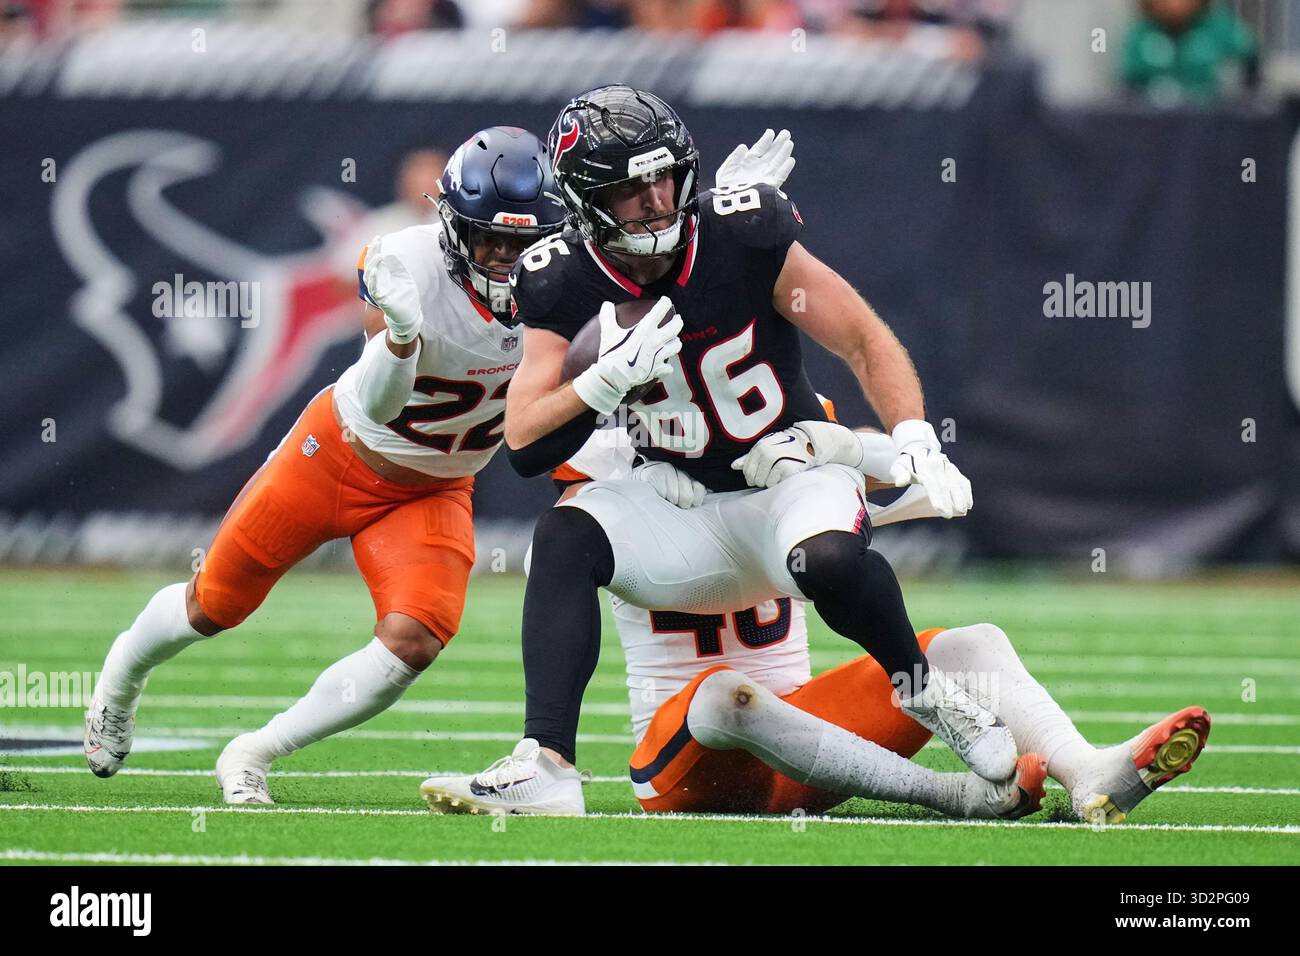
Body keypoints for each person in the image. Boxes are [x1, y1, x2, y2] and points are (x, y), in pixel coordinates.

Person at [435, 86, 1001, 816]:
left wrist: (915, 435)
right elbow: (524, 442)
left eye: (663, 176)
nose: (655, 198)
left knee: (828, 559)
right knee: (566, 536)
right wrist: (602, 383)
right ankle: (546, 763)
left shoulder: (744, 232)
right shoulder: (561, 276)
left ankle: (924, 692)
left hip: (785, 480)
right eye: (630, 187)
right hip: (685, 508)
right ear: (585, 201)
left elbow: (862, 336)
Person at [83, 127, 567, 804]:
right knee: (215, 603)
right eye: (491, 239)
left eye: (523, 243)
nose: (507, 259)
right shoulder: (406, 261)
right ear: (454, 224)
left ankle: (255, 751)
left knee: (416, 638)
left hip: (433, 486)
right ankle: (120, 679)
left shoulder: (570, 281)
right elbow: (383, 401)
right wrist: (401, 338)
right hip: (336, 452)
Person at [423, 424, 1211, 822]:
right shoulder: (616, 483)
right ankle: (958, 795)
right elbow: (557, 550)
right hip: (690, 757)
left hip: (814, 746)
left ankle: (1090, 775)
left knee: (973, 644)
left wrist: (899, 472)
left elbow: (832, 522)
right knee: (721, 693)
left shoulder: (782, 452)